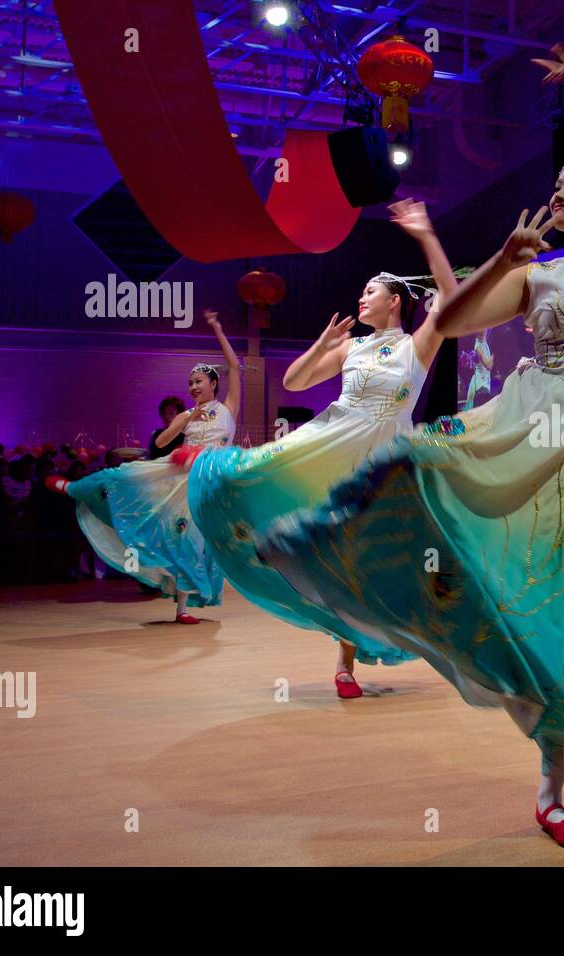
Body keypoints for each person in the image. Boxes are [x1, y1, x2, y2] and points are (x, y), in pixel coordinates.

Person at [256, 44, 564, 850]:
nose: (559, 191)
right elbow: (454, 322)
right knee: (421, 470)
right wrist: (503, 260)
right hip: (535, 433)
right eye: (556, 181)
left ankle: (559, 786)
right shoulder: (540, 273)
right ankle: (328, 536)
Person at [188, 199, 457, 697]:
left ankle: (352, 658)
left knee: (366, 560)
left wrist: (424, 234)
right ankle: (340, 656)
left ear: (395, 300)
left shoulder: (416, 345)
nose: (361, 298)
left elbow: (451, 295)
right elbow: (293, 381)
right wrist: (320, 343)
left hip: (383, 462)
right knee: (260, 488)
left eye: (369, 291)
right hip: (331, 444)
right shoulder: (350, 345)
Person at [47, 311, 241, 622]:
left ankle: (183, 607)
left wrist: (217, 328)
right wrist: (186, 420)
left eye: (199, 381)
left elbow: (234, 366)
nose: (193, 387)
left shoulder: (228, 408)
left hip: (211, 483)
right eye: (190, 383)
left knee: (197, 543)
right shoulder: (185, 415)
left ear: (213, 383)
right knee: (127, 477)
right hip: (183, 480)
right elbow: (163, 442)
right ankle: (75, 487)